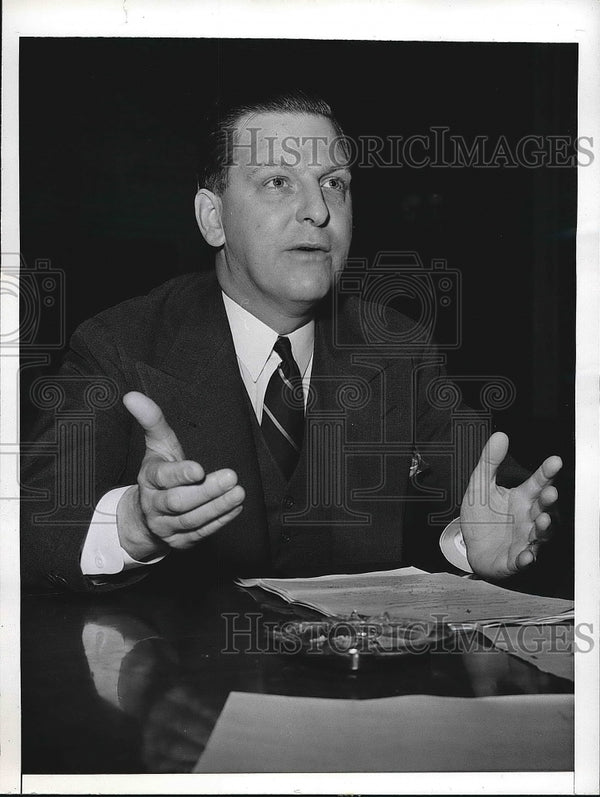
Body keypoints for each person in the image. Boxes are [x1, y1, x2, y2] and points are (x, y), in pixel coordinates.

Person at [21, 91, 561, 593]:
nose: (318, 211)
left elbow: (499, 501)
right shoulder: (118, 346)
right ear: (214, 219)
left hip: (360, 691)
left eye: (334, 183)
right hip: (182, 683)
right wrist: (135, 525)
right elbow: (28, 528)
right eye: (277, 181)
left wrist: (470, 544)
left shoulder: (396, 346)